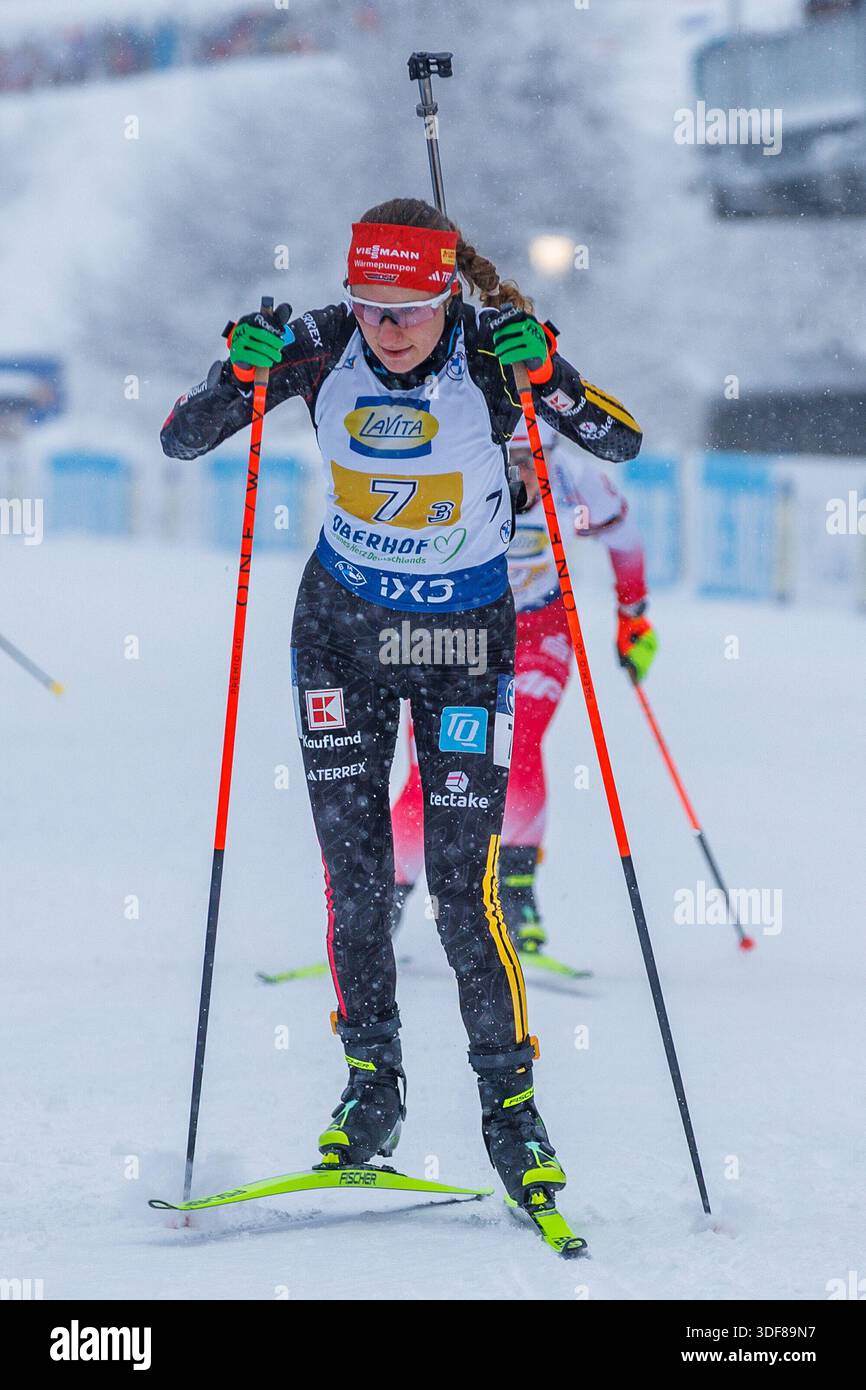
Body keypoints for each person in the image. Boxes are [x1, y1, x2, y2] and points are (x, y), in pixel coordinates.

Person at [160, 197, 642, 1212]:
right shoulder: (318, 344)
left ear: (443, 294)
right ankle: (369, 1090)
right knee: (356, 870)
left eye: (407, 307)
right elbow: (184, 438)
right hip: (340, 636)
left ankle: (510, 1112)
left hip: (463, 643)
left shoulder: (489, 352)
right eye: (369, 304)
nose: (386, 327)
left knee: (464, 884)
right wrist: (234, 374)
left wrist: (547, 378)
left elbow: (618, 441)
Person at [390, 419, 656, 955]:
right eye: (504, 462)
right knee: (434, 764)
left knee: (518, 739)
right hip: (462, 631)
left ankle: (515, 893)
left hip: (541, 628)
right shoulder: (452, 477)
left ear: (548, 453)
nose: (517, 475)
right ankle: (381, 905)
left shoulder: (575, 481)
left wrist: (633, 617)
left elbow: (625, 542)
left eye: (527, 460)